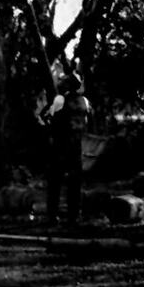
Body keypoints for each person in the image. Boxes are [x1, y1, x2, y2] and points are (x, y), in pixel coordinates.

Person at [43, 74, 91, 227]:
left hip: (61, 144)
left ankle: (52, 215)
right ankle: (73, 215)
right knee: (74, 182)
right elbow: (87, 122)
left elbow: (50, 119)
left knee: (55, 181)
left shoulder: (60, 100)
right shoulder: (84, 101)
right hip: (76, 143)